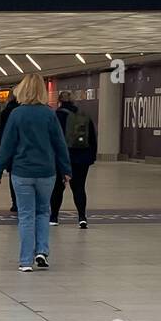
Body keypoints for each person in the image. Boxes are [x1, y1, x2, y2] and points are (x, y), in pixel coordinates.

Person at [0, 73, 71, 271]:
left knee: (26, 215)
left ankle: (26, 261)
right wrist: (66, 169)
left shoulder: (16, 114)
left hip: (22, 172)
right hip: (46, 172)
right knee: (43, 212)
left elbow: (7, 144)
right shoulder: (49, 114)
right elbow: (59, 144)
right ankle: (42, 251)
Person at [50, 89, 98, 227]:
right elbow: (92, 139)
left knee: (57, 188)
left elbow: (52, 138)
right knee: (79, 188)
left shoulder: (56, 116)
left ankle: (54, 217)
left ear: (59, 101)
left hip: (61, 158)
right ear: (73, 101)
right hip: (81, 158)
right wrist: (91, 157)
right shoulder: (83, 115)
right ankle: (82, 218)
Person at [0, 92, 19, 212]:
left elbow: (3, 134)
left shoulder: (6, 112)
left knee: (12, 176)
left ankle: (15, 202)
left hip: (11, 150)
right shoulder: (23, 111)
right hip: (24, 151)